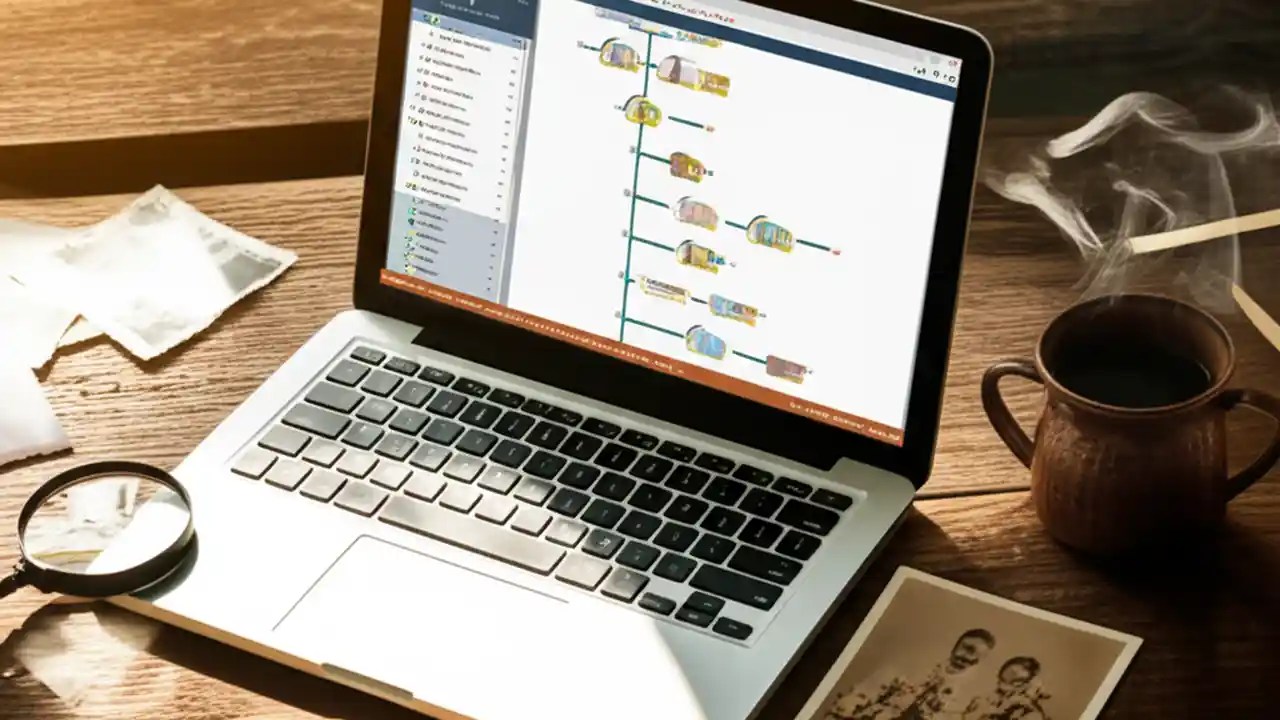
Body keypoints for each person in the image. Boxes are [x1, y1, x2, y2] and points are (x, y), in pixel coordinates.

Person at [826, 629, 996, 720]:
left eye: (976, 658)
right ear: (956, 644)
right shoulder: (915, 666)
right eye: (967, 649)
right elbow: (868, 690)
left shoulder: (968, 696)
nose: (967, 658)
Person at [963, 657, 1051, 720]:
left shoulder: (1031, 714)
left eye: (1017, 682)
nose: (1005, 687)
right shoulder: (984, 701)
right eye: (1002, 680)